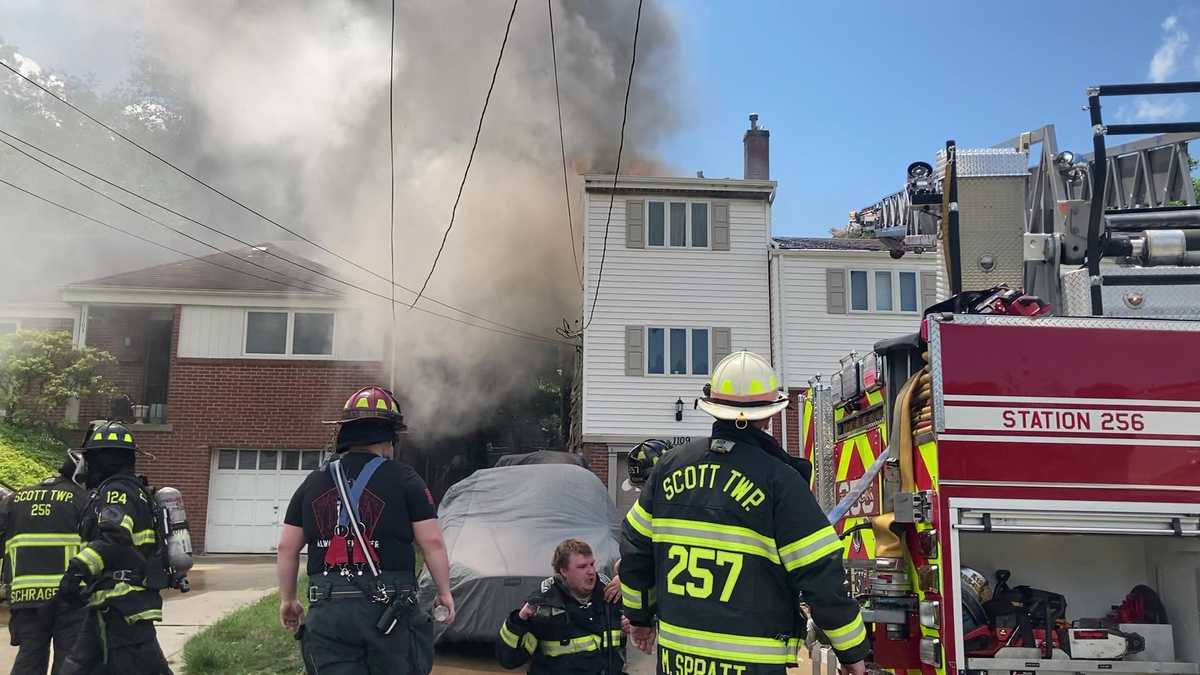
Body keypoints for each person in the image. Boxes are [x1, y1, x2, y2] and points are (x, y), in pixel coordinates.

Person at [619, 351, 870, 675]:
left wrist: (640, 617)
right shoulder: (779, 481)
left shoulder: (669, 467)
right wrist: (851, 652)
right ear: (768, 415)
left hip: (677, 661)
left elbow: (635, 548)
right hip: (752, 664)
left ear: (712, 405)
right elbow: (820, 573)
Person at [276, 385, 454, 674]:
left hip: (329, 613)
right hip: (390, 614)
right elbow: (432, 541)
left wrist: (288, 599)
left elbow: (286, 547)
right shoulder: (405, 478)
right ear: (388, 440)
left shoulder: (313, 481)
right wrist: (444, 592)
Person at [59, 421, 173, 674]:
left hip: (122, 604)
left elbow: (115, 538)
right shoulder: (133, 490)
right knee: (77, 667)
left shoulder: (116, 491)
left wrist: (77, 571)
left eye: (91, 458)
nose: (87, 465)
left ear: (104, 459)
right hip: (110, 603)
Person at [1, 457, 88, 674]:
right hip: (68, 596)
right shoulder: (82, 500)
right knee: (68, 661)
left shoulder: (16, 498)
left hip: (25, 596)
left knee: (29, 657)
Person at [497, 538, 625, 674]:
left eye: (592, 564)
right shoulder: (545, 604)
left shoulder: (610, 594)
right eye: (582, 567)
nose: (591, 571)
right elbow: (509, 660)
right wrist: (519, 620)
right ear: (564, 571)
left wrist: (629, 623)